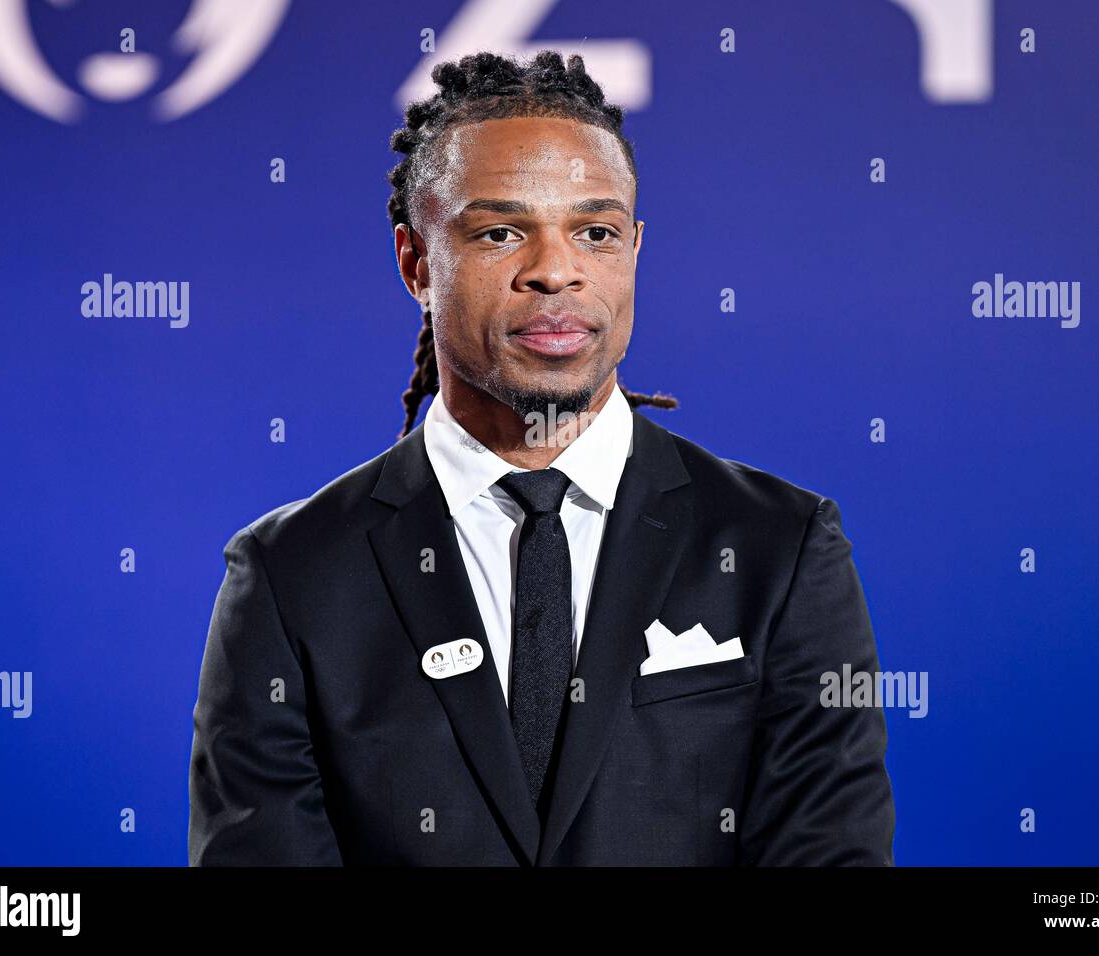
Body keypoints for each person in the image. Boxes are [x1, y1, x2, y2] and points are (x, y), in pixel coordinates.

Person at [188, 49, 895, 866]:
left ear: (633, 249)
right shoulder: (289, 572)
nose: (556, 271)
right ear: (416, 263)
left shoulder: (783, 545)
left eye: (594, 232)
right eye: (500, 232)